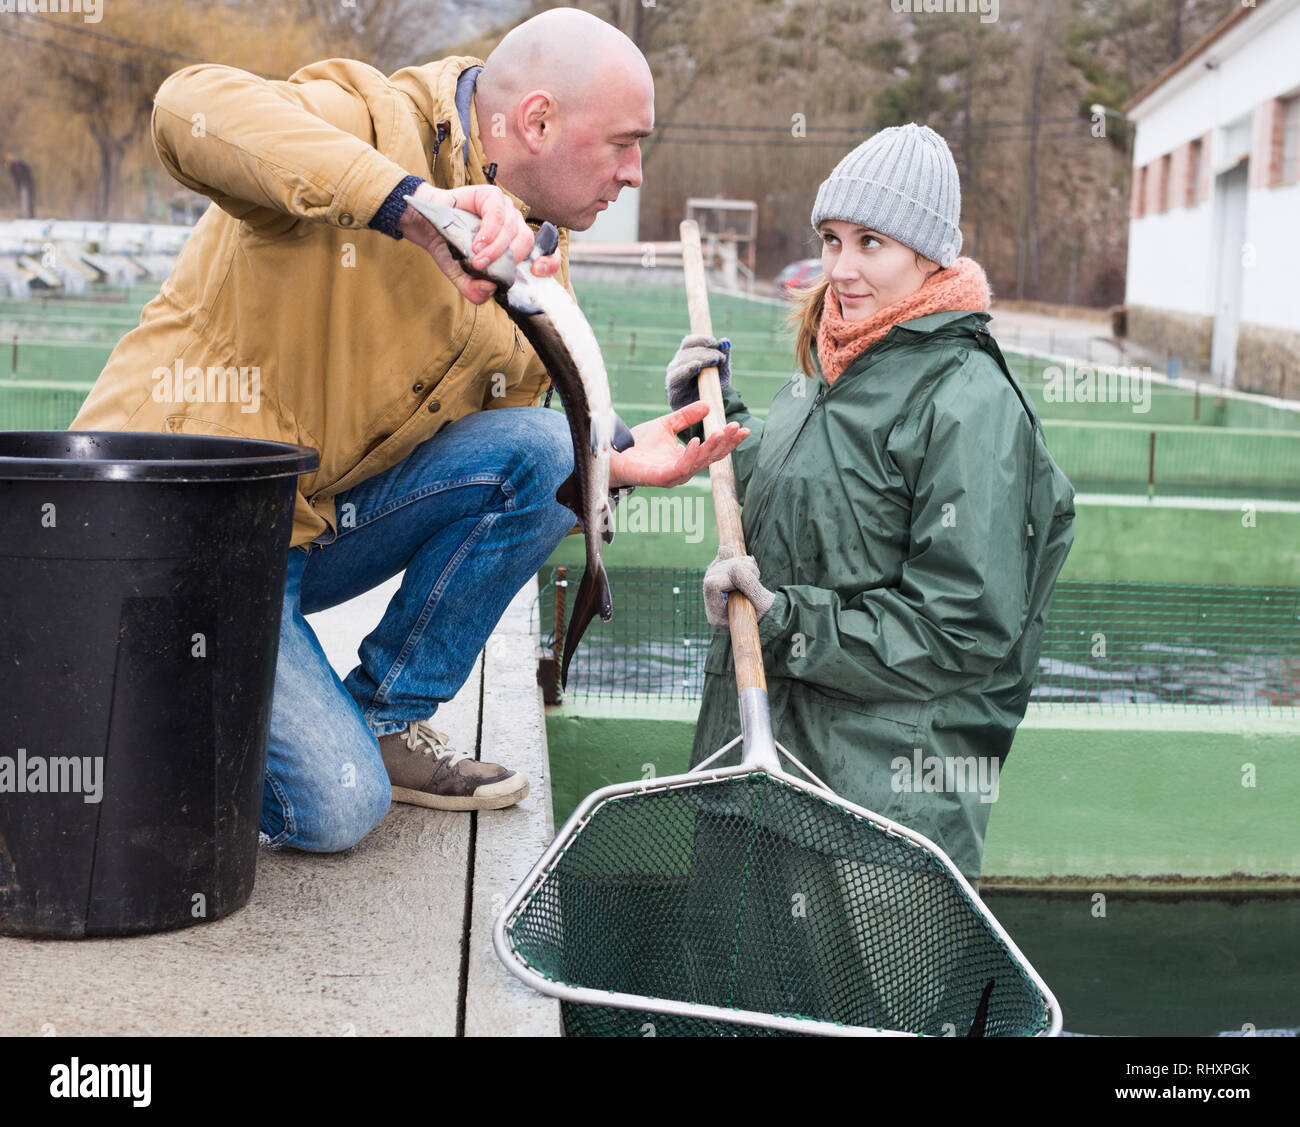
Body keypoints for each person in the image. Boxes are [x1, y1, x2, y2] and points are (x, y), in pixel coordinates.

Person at [70, 8, 748, 852]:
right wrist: (407, 205)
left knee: (549, 454)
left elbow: (515, 425)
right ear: (536, 121)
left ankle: (379, 716)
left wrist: (610, 448)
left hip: (304, 532)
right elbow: (186, 108)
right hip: (172, 530)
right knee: (338, 808)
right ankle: (123, 721)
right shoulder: (371, 118)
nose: (637, 173)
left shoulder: (535, 241)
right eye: (624, 143)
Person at [666, 124, 1075, 885]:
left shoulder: (968, 400)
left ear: (930, 256)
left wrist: (786, 618)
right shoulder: (833, 361)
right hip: (757, 765)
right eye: (830, 239)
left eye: (871, 243)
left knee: (845, 1008)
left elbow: (960, 626)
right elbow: (811, 495)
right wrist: (715, 417)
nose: (842, 268)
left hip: (870, 818)